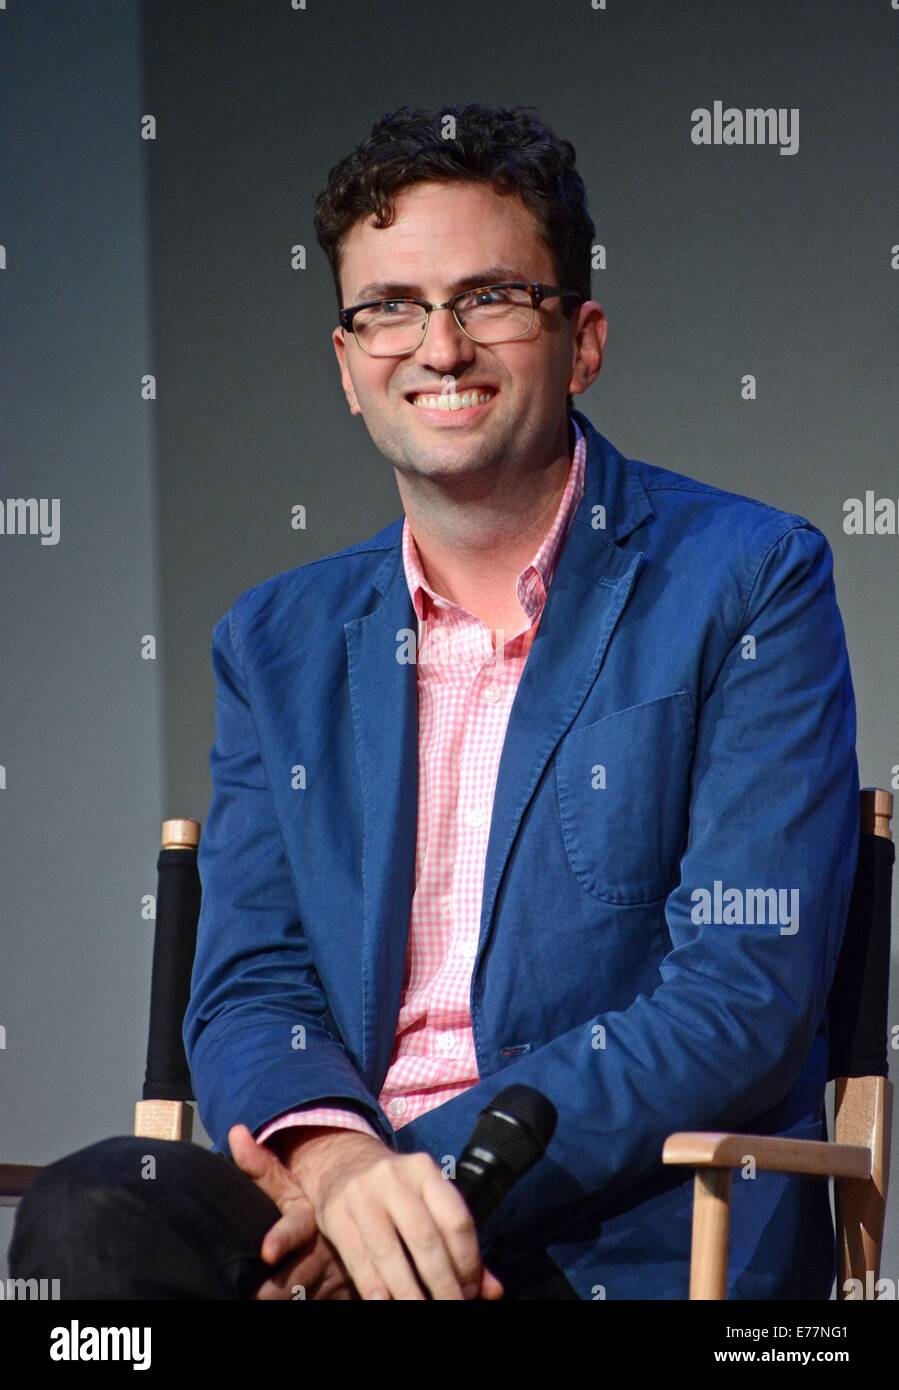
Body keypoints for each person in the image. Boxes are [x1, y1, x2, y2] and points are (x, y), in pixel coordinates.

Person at [9, 103, 859, 1301]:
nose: (439, 346)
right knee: (92, 1217)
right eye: (389, 308)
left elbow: (738, 991)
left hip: (613, 1233)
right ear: (348, 367)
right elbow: (252, 977)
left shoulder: (747, 579)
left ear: (583, 340)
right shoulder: (274, 639)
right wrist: (335, 1159)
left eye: (489, 299)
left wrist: (417, 1180)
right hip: (326, 1210)